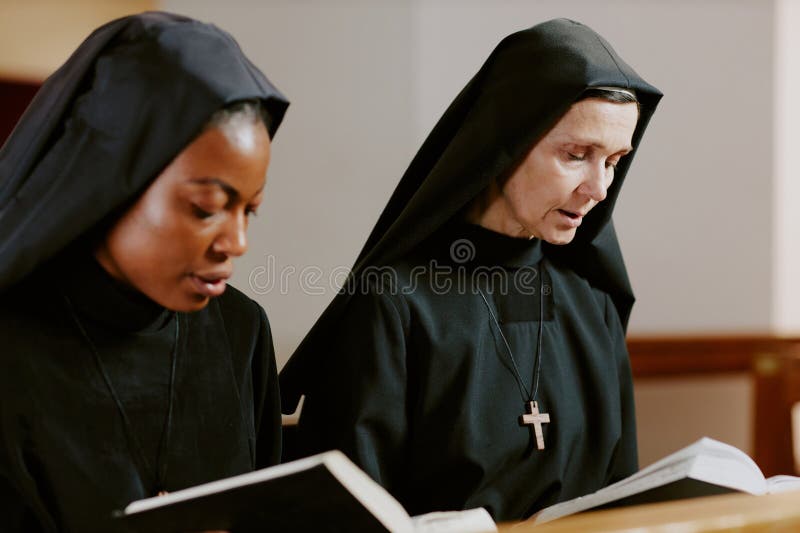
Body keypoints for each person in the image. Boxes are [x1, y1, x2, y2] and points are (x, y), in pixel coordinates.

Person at [280, 18, 662, 522]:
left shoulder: (594, 306)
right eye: (576, 155)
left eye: (613, 161)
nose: (598, 189)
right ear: (505, 139)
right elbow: (346, 518)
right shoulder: (393, 306)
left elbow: (620, 509)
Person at [0, 12, 288, 533]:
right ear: (109, 184)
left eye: (250, 210)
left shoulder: (241, 332)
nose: (236, 243)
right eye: (206, 208)